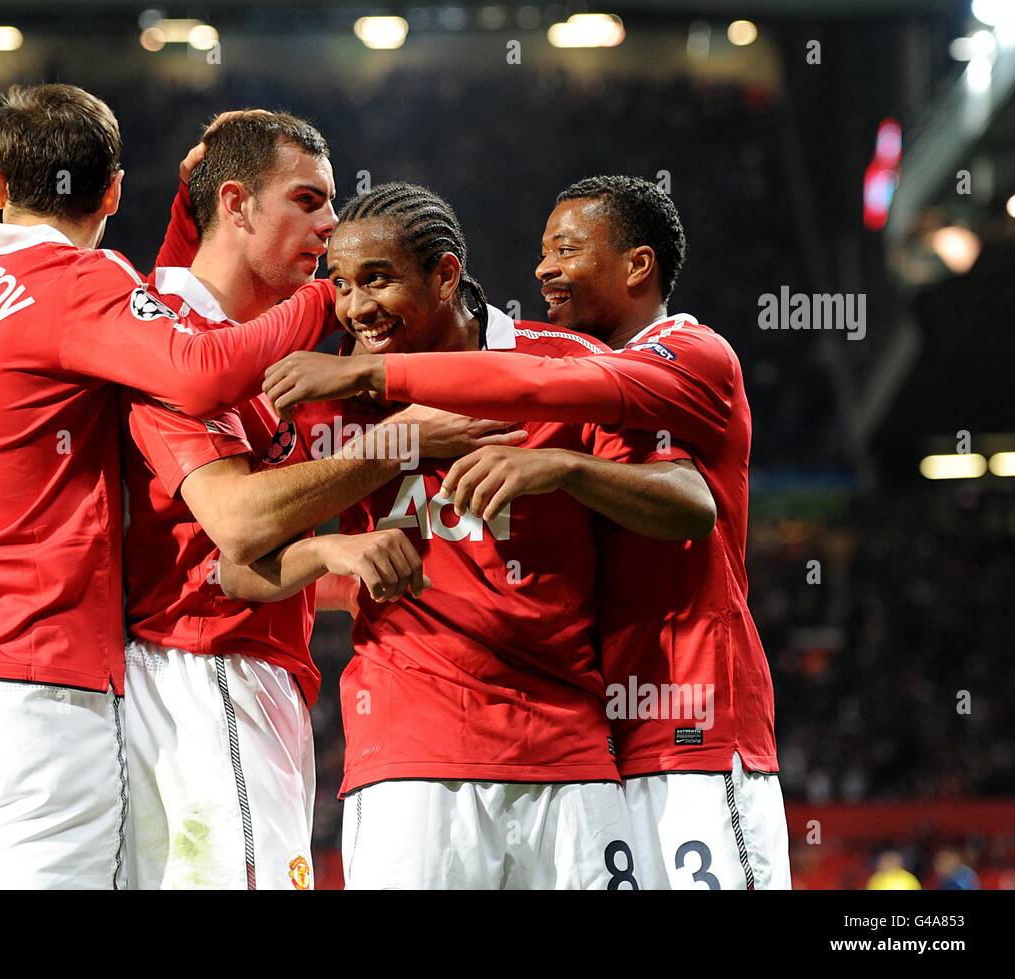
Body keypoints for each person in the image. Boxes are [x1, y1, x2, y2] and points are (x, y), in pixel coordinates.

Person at [262, 175, 791, 890]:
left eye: (377, 280)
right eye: (342, 287)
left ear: (447, 274)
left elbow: (686, 497)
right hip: (430, 751)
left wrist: (553, 463)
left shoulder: (599, 364)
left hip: (614, 743)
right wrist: (343, 554)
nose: (355, 306)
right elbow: (243, 550)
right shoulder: (326, 397)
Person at [0, 84, 339, 889]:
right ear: (111, 192)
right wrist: (326, 295)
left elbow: (153, 308)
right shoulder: (81, 282)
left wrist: (187, 221)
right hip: (35, 686)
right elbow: (196, 365)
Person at [121, 118, 523, 889]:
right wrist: (400, 439)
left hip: (250, 667)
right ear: (237, 206)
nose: (329, 224)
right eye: (308, 201)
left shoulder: (249, 334)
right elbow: (238, 525)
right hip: (206, 675)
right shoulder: (174, 347)